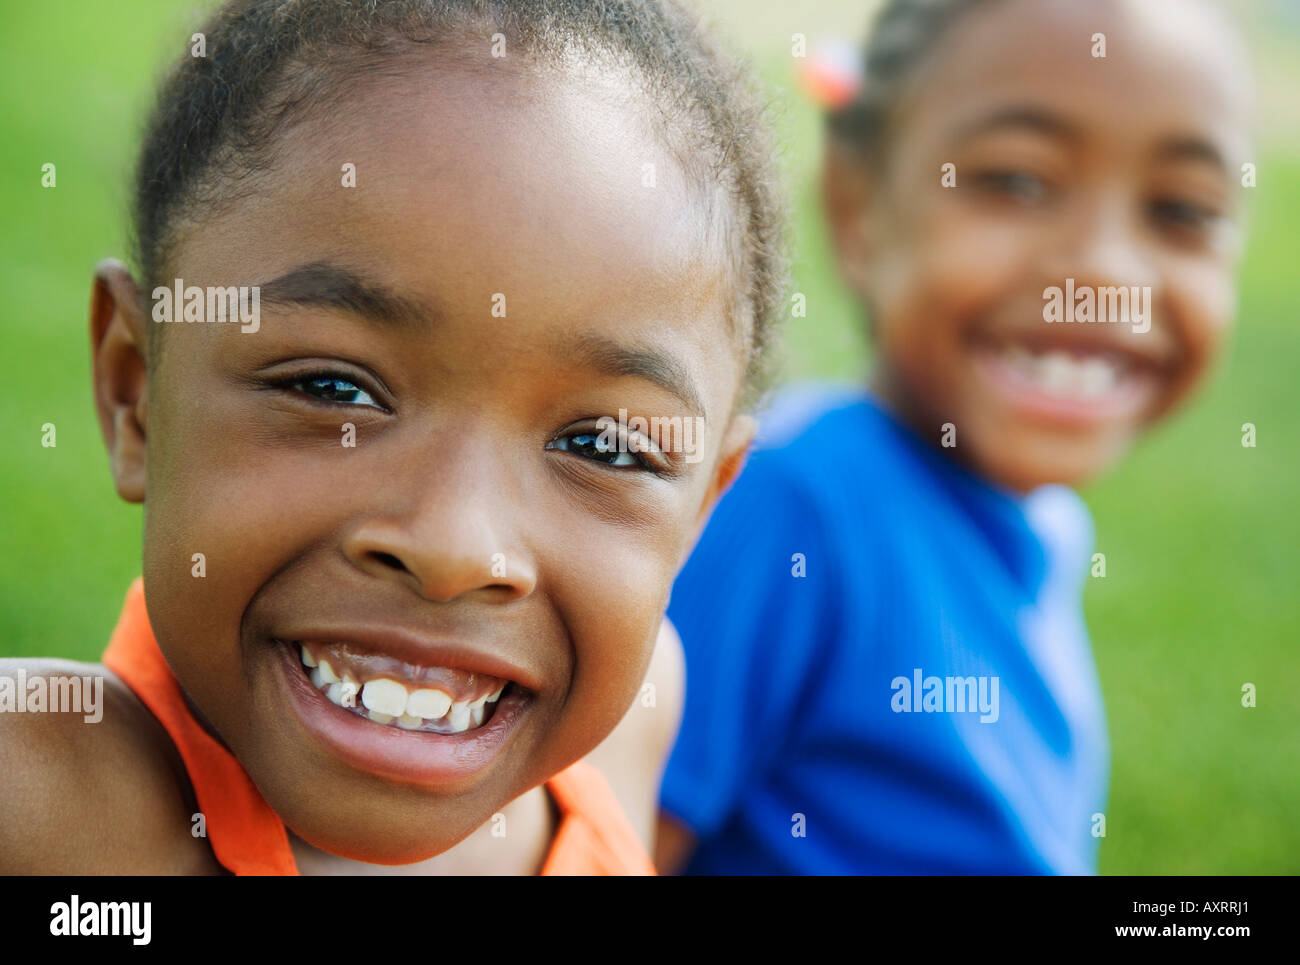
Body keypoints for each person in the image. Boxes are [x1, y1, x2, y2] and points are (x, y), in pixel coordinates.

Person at [0, 0, 787, 875]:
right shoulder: (45, 806)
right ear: (135, 390)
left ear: (701, 509)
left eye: (603, 446)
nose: (453, 546)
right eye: (333, 389)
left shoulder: (633, 718)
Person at [656, 0, 1254, 874]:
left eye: (1182, 210)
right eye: (1015, 181)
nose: (1103, 273)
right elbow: (611, 839)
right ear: (859, 209)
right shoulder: (796, 506)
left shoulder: (1042, 523)